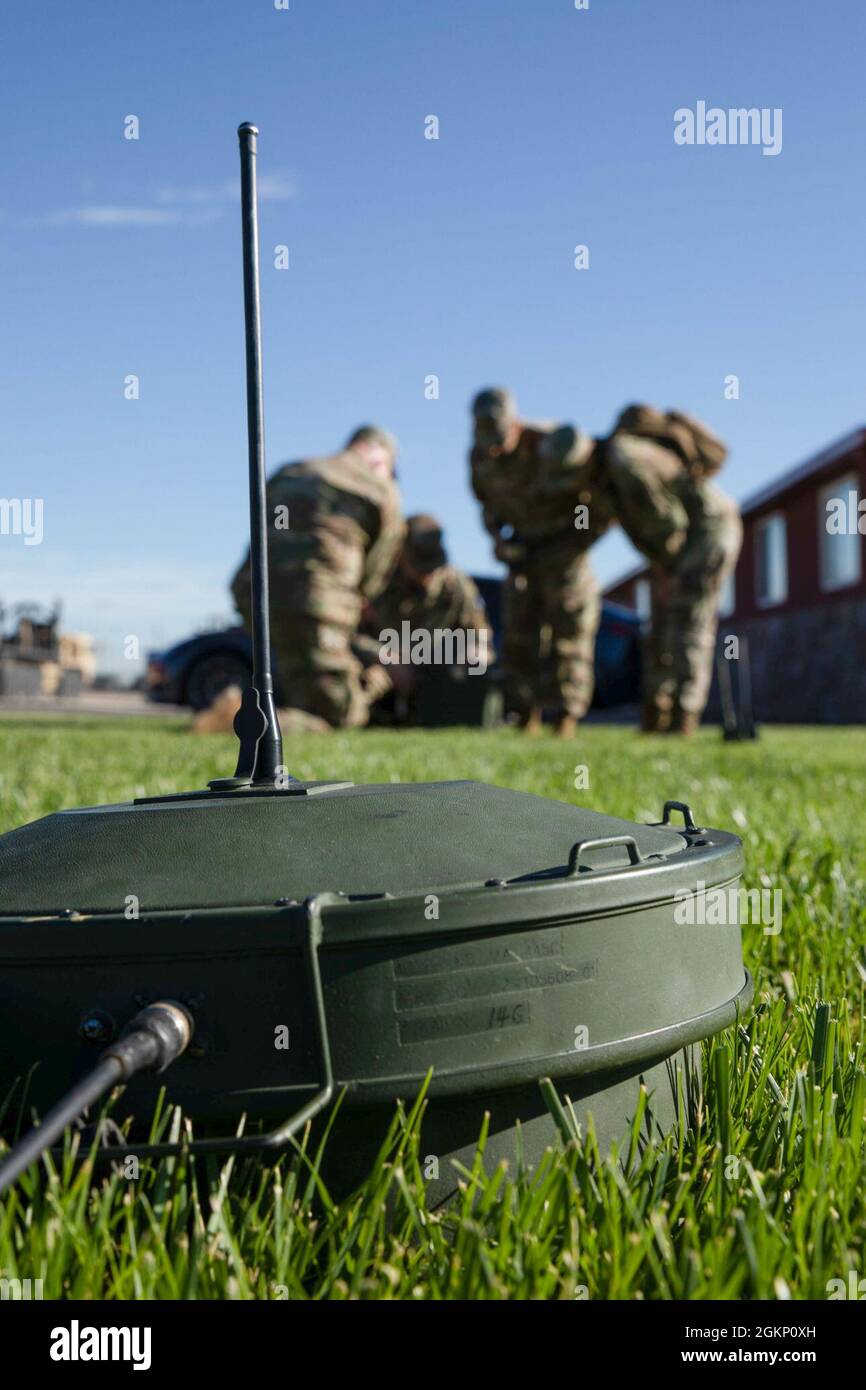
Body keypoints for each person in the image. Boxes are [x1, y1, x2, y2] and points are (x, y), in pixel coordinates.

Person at [230, 425, 404, 728]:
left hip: (255, 595)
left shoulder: (291, 472)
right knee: (341, 715)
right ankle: (242, 722)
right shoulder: (380, 488)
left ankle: (263, 709)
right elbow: (374, 574)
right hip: (318, 602)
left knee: (295, 680)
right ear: (381, 461)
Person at [469, 387, 612, 737]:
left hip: (565, 551)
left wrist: (578, 542)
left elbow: (602, 500)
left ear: (515, 423)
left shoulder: (553, 441)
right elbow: (487, 504)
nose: (494, 445)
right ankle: (524, 715)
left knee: (569, 633)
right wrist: (499, 540)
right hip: (523, 551)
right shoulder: (479, 455)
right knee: (520, 633)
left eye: (500, 435)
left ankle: (565, 717)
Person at [605, 404, 743, 735]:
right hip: (687, 539)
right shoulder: (646, 455)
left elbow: (670, 523)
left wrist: (669, 565)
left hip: (709, 532)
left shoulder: (627, 455)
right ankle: (658, 715)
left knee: (689, 624)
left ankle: (684, 717)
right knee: (663, 624)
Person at [370, 514, 494, 712]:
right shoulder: (375, 581)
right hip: (383, 668)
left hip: (431, 671)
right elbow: (347, 634)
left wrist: (477, 651)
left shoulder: (454, 585)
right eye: (419, 565)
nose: (427, 575)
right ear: (400, 554)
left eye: (432, 566)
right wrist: (384, 656)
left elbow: (479, 633)